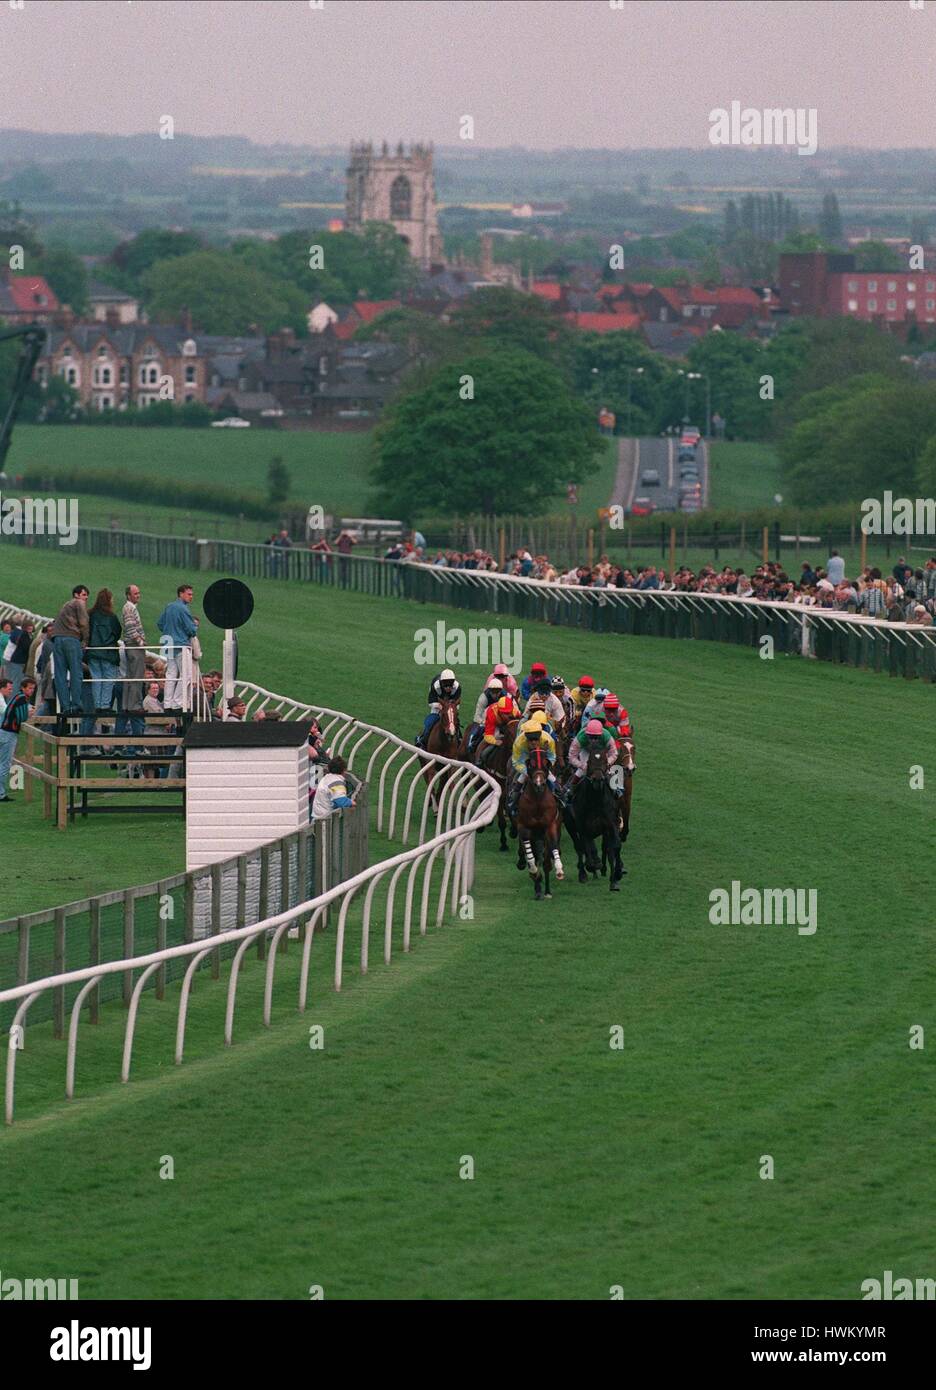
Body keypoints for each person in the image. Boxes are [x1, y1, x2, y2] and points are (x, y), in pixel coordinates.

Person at [157, 583, 199, 711]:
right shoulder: (184, 609)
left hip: (168, 643)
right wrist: (191, 630)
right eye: (189, 594)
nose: (191, 597)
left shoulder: (169, 606)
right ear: (181, 594)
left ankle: (167, 703)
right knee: (186, 675)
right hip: (181, 645)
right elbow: (192, 629)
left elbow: (159, 623)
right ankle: (177, 702)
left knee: (170, 674)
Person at [49, 585, 90, 715]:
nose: (86, 597)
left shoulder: (65, 606)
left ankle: (65, 706)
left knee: (60, 675)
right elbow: (84, 623)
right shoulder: (79, 603)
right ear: (76, 595)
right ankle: (76, 704)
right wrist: (85, 640)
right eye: (84, 594)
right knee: (76, 673)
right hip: (71, 640)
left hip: (57, 640)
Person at [506, 718, 559, 817]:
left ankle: (560, 797)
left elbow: (552, 757)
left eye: (536, 739)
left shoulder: (548, 739)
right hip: (526, 760)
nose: (534, 743)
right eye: (531, 740)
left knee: (553, 779)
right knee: (520, 779)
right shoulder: (518, 742)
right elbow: (516, 762)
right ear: (526, 736)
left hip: (542, 764)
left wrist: (544, 769)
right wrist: (529, 772)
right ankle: (513, 801)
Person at [85, 589, 122, 727]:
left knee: (96, 678)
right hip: (108, 652)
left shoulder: (90, 614)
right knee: (108, 679)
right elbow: (117, 632)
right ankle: (105, 706)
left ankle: (97, 705)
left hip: (93, 651)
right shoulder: (111, 616)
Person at [117, 583, 146, 752]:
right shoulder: (128, 608)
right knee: (136, 676)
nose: (138, 596)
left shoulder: (130, 607)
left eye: (139, 593)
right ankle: (134, 704)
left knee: (131, 676)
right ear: (128, 595)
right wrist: (140, 641)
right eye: (135, 593)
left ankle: (129, 704)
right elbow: (129, 626)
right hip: (134, 645)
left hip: (131, 644)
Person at [0, 676, 37, 802]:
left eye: (33, 688)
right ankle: (1, 794)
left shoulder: (17, 697)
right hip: (9, 733)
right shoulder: (21, 698)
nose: (32, 690)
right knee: (5, 764)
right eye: (30, 688)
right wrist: (29, 714)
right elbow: (22, 718)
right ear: (23, 688)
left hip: (4, 731)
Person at [569, 718, 622, 797]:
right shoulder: (580, 737)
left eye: (596, 737)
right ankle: (570, 791)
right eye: (591, 737)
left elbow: (614, 753)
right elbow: (571, 756)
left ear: (601, 734)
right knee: (581, 771)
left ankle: (616, 789)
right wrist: (582, 766)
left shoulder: (607, 736)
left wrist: (607, 763)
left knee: (608, 772)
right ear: (586, 734)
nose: (593, 740)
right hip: (586, 751)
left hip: (602, 752)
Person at [417, 668, 461, 747]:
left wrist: (449, 709)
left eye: (450, 684)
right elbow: (430, 702)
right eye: (446, 684)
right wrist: (440, 707)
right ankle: (421, 739)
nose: (448, 687)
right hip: (438, 705)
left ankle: (459, 740)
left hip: (450, 707)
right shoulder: (436, 686)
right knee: (431, 721)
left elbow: (456, 705)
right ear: (441, 682)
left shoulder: (457, 687)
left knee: (455, 722)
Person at [311, 756, 359, 821]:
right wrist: (352, 802)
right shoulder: (336, 782)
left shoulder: (326, 778)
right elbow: (341, 801)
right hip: (324, 819)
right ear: (344, 770)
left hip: (318, 816)